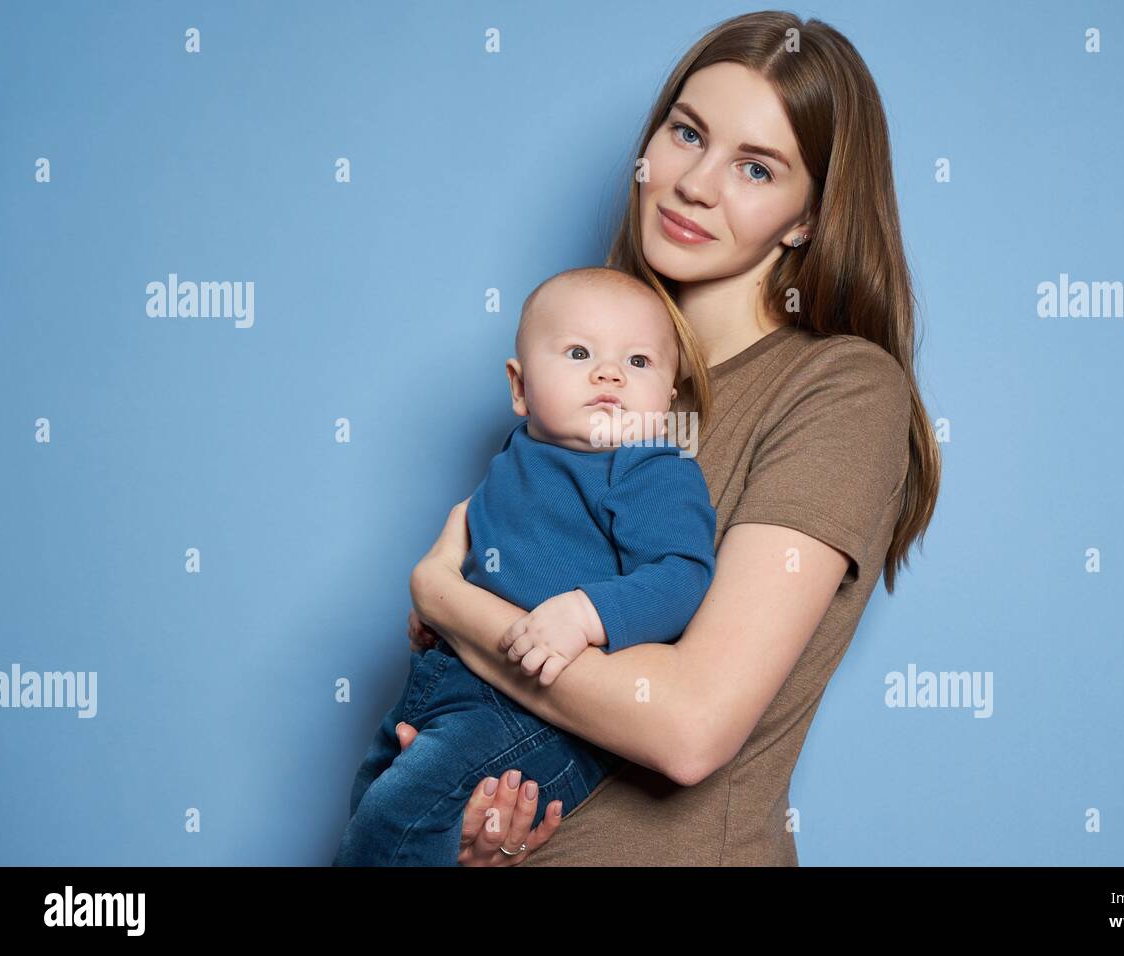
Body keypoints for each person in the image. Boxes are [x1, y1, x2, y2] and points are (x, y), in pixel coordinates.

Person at [398, 10, 941, 866]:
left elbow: (688, 728)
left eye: (756, 168)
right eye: (687, 133)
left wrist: (443, 598)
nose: (695, 183)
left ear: (806, 218)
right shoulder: (582, 375)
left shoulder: (840, 389)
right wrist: (452, 814)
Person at [332, 268, 717, 865]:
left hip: (540, 716)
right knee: (371, 805)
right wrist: (444, 613)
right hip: (446, 676)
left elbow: (682, 572)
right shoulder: (521, 450)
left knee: (396, 819)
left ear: (669, 398)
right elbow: (501, 554)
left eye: (639, 362)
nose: (610, 373)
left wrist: (586, 615)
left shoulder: (650, 467)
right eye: (580, 353)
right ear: (520, 387)